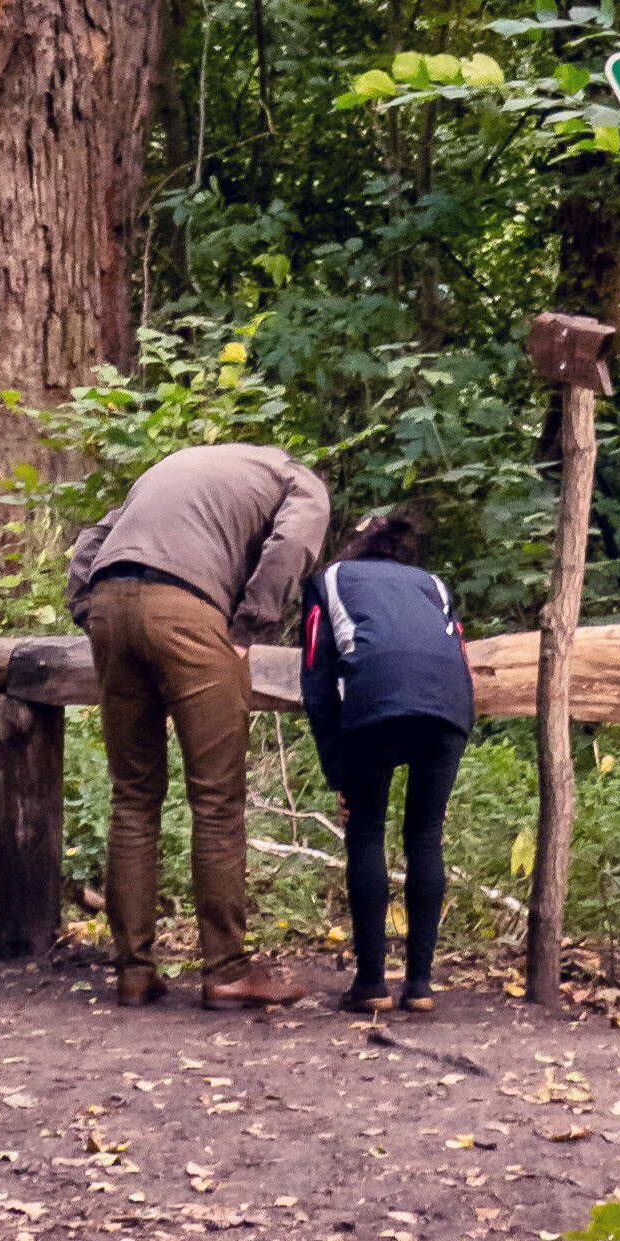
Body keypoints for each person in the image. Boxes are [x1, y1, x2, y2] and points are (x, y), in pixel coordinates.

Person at [67, 427, 330, 1010]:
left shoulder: (171, 467)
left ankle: (133, 971)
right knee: (216, 799)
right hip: (188, 609)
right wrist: (249, 626)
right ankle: (227, 970)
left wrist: (90, 611)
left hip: (111, 600)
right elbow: (292, 543)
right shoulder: (299, 481)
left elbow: (92, 541)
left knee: (133, 796)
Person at [301, 500, 478, 1015]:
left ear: (354, 549)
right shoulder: (432, 584)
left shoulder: (330, 579)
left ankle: (371, 983)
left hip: (373, 700)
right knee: (424, 835)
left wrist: (336, 772)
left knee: (365, 831)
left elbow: (316, 678)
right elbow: (458, 653)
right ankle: (419, 985)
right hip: (450, 705)